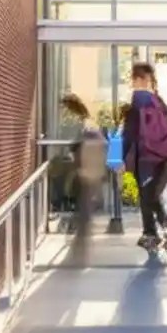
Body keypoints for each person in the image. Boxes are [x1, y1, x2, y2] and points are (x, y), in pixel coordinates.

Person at [122, 63, 167, 252]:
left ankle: (152, 231)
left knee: (146, 196)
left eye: (133, 79)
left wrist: (121, 159)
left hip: (144, 159)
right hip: (161, 158)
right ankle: (158, 225)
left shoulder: (136, 104)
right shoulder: (159, 102)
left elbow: (129, 134)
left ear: (138, 80)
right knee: (151, 195)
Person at [61, 93, 106, 265]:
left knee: (84, 209)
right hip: (90, 171)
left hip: (83, 170)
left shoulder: (76, 123)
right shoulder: (86, 121)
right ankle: (80, 247)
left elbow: (75, 145)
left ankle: (79, 250)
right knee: (85, 209)